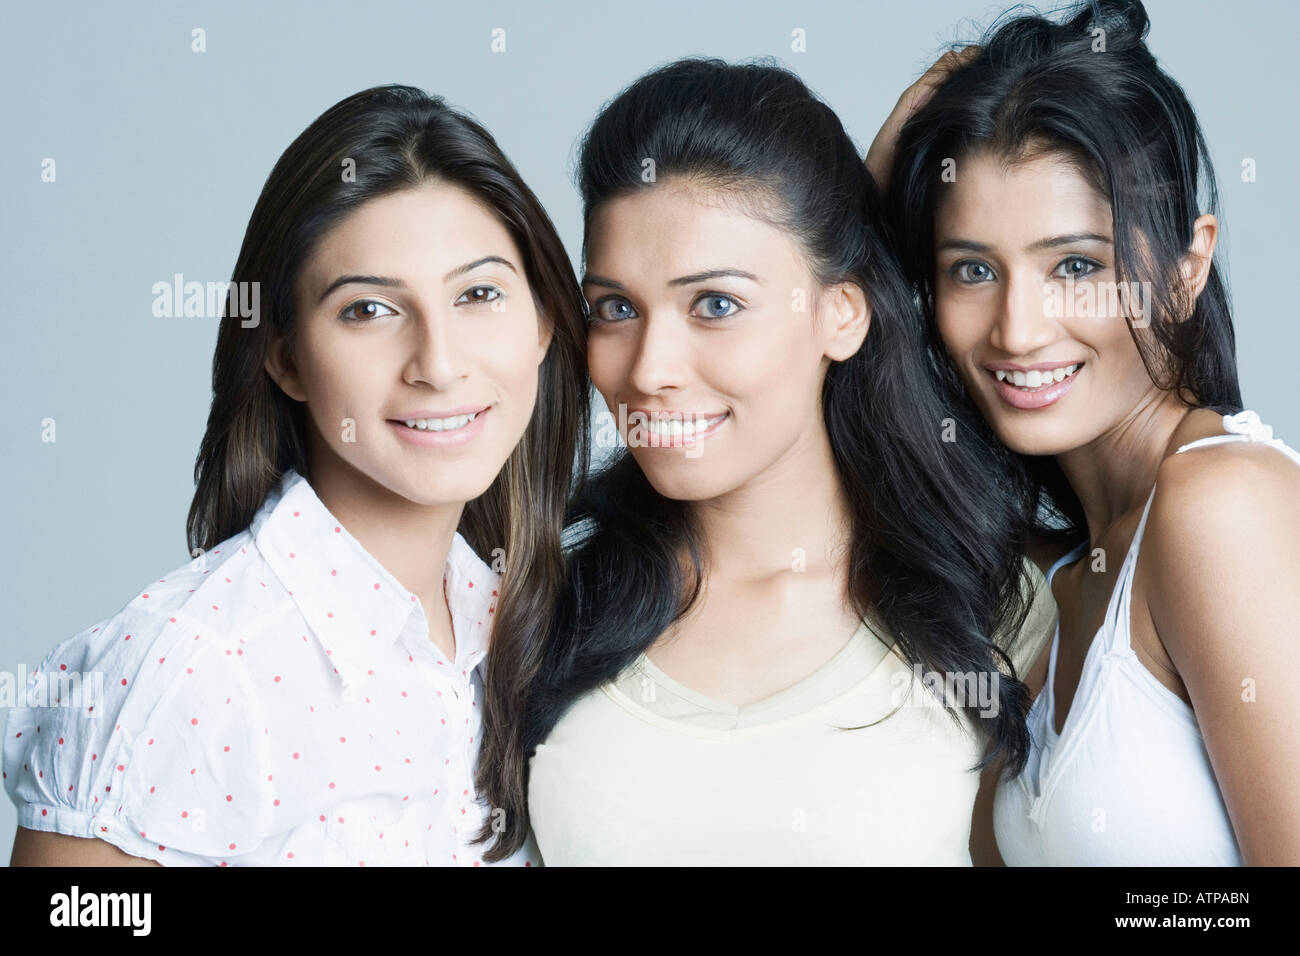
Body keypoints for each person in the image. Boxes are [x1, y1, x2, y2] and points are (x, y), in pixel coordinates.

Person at [472, 57, 1059, 865]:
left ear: (842, 315)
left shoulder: (995, 612)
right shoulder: (542, 601)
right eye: (616, 308)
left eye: (715, 304)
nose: (647, 369)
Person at [4, 85, 588, 866]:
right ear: (285, 358)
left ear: (544, 323)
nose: (440, 364)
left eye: (479, 295)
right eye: (368, 310)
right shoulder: (194, 664)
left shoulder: (517, 631)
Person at [881, 0, 1300, 864]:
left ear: (1186, 271)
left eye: (1076, 265)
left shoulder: (1224, 506)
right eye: (972, 270)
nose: (1019, 329)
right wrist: (873, 204)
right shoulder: (1058, 580)